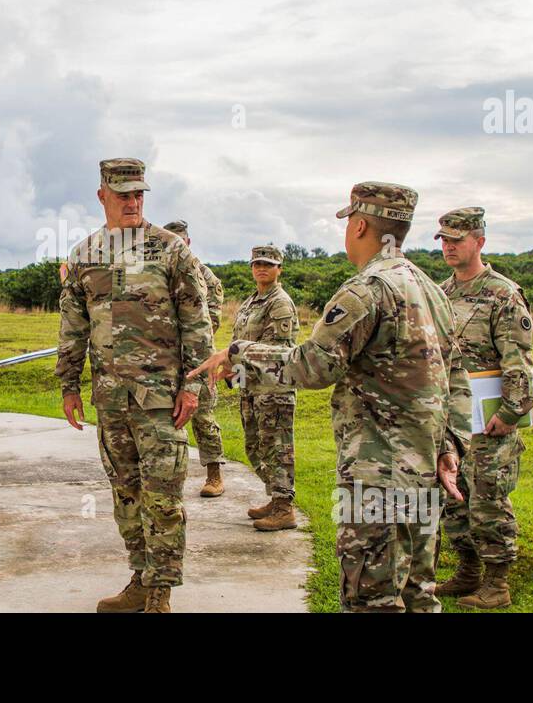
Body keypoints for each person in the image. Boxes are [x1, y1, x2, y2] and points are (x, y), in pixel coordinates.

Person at [190, 182, 467, 612]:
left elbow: (313, 365)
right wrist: (450, 446)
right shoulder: (431, 289)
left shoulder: (367, 290)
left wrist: (237, 355)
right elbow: (452, 377)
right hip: (425, 467)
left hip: (376, 474)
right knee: (417, 594)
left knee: (370, 597)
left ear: (358, 226)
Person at [57, 159, 213, 613]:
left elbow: (197, 324)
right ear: (102, 194)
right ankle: (140, 578)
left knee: (162, 495)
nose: (132, 201)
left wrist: (193, 388)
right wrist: (68, 385)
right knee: (126, 492)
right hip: (110, 399)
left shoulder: (171, 251)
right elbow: (72, 327)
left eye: (138, 193)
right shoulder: (84, 255)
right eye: (122, 193)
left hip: (162, 399)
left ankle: (161, 591)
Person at [433, 207, 533, 608]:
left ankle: (498, 582)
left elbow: (518, 361)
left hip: (490, 413)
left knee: (489, 497)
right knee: (454, 496)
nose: (449, 247)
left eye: (457, 239)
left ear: (479, 241)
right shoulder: (443, 293)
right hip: (453, 417)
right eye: (444, 239)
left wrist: (510, 413)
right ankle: (468, 570)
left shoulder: (503, 294)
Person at [229, 244, 300, 530]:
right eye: (257, 263)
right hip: (251, 387)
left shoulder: (279, 302)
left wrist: (238, 360)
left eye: (268, 264)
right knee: (255, 446)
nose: (261, 268)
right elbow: (238, 341)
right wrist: (235, 375)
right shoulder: (251, 302)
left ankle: (284, 508)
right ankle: (275, 497)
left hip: (273, 389)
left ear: (279, 269)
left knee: (277, 447)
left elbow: (277, 349)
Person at [162, 219, 227, 498]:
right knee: (164, 418)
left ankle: (214, 475)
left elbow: (210, 321)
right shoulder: (158, 274)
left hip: (198, 359)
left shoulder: (206, 278)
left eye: (179, 241)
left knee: (203, 418)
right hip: (165, 360)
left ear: (187, 243)